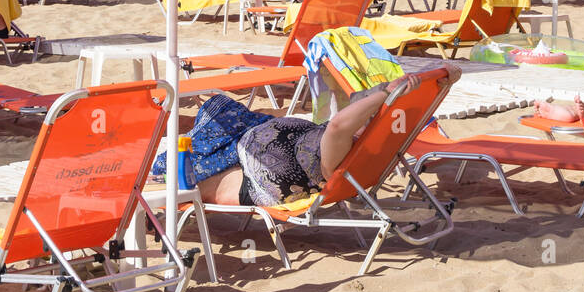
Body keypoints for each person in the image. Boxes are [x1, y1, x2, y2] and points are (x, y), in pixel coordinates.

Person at [190, 70, 456, 207]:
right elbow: (350, 113)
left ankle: (158, 206)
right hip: (256, 149)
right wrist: (443, 78)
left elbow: (338, 125)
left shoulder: (343, 146)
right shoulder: (373, 140)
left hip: (259, 180)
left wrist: (386, 92)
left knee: (187, 180)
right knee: (220, 108)